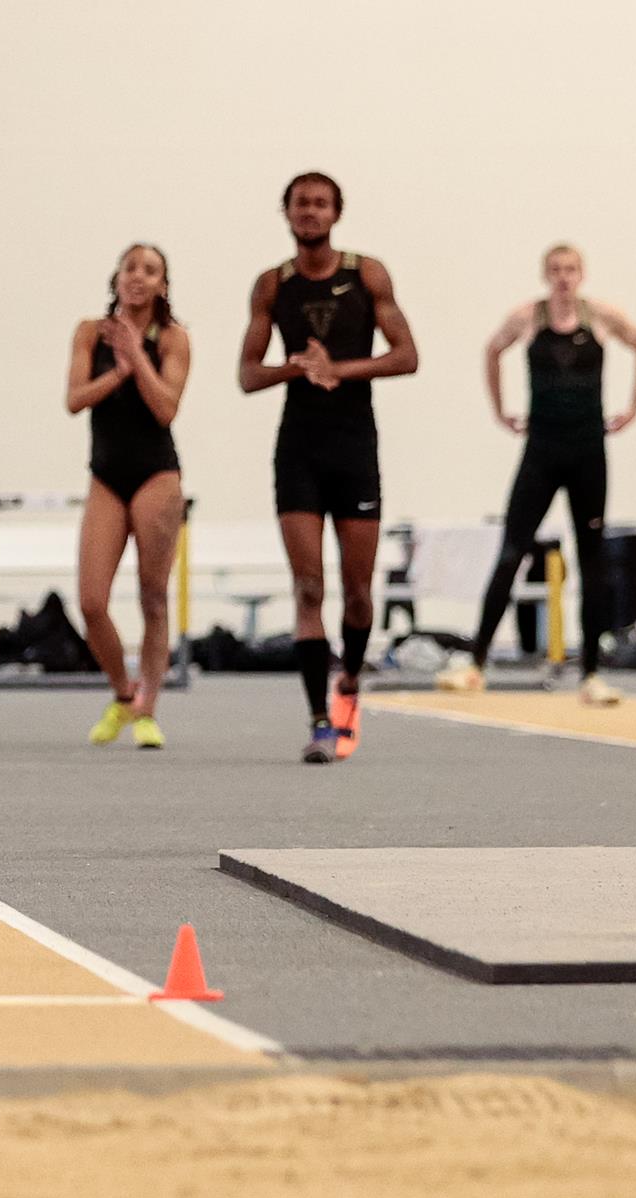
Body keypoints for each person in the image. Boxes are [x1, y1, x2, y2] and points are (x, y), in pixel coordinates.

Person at [239, 172, 419, 764]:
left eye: (320, 204)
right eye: (300, 204)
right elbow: (247, 375)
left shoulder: (367, 274)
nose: (310, 212)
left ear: (336, 213)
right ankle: (320, 721)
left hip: (354, 448)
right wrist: (297, 368)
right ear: (286, 212)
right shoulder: (272, 285)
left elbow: (407, 356)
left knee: (358, 594)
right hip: (298, 449)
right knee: (309, 586)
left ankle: (350, 682)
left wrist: (339, 369)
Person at [436, 246, 636, 704]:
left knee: (590, 559)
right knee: (511, 550)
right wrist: (501, 412)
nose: (563, 279)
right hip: (541, 451)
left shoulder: (601, 318)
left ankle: (591, 673)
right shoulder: (527, 318)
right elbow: (492, 350)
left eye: (570, 271)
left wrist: (633, 409)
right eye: (555, 271)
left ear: (582, 275)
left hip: (588, 449)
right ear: (544, 275)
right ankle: (476, 663)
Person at [66, 244, 191, 750]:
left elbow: (166, 409)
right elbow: (74, 400)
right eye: (130, 268)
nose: (138, 276)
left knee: (153, 597)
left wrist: (137, 355)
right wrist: (115, 370)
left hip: (156, 475)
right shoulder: (89, 332)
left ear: (163, 284)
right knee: (92, 601)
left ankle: (149, 710)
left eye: (151, 270)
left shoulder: (174, 338)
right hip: (106, 476)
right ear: (116, 277)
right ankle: (123, 693)